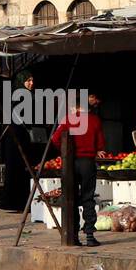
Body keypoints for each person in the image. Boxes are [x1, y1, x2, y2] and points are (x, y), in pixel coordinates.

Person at [50, 90, 105, 246]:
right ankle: (89, 236)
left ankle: (73, 235)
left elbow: (55, 139)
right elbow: (100, 144)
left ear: (75, 107)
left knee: (71, 198)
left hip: (70, 164)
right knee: (88, 198)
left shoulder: (68, 120)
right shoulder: (95, 121)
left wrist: (65, 150)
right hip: (88, 163)